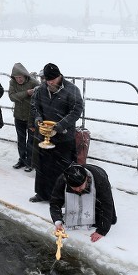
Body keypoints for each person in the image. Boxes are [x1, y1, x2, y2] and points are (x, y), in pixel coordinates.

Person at [29, 63, 83, 202]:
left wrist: (61, 125)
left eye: (53, 79)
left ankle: (62, 197)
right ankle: (42, 193)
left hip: (64, 137)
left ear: (59, 76)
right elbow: (35, 106)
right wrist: (38, 118)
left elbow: (76, 110)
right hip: (45, 136)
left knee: (63, 167)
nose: (50, 82)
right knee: (43, 166)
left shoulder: (72, 90)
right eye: (47, 80)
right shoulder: (41, 89)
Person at [50, 162, 117, 242]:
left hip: (98, 174)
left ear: (86, 179)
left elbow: (107, 204)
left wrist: (102, 231)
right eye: (74, 188)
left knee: (108, 219)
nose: (78, 190)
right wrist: (58, 222)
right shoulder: (63, 179)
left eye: (80, 187)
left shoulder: (100, 180)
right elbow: (55, 202)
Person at [8, 63, 40, 172]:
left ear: (25, 75)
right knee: (21, 140)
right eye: (16, 78)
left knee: (31, 141)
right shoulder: (12, 82)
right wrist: (26, 93)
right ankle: (22, 159)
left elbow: (40, 96)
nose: (18, 80)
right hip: (18, 116)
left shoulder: (34, 82)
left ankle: (30, 162)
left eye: (20, 77)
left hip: (31, 118)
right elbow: (12, 97)